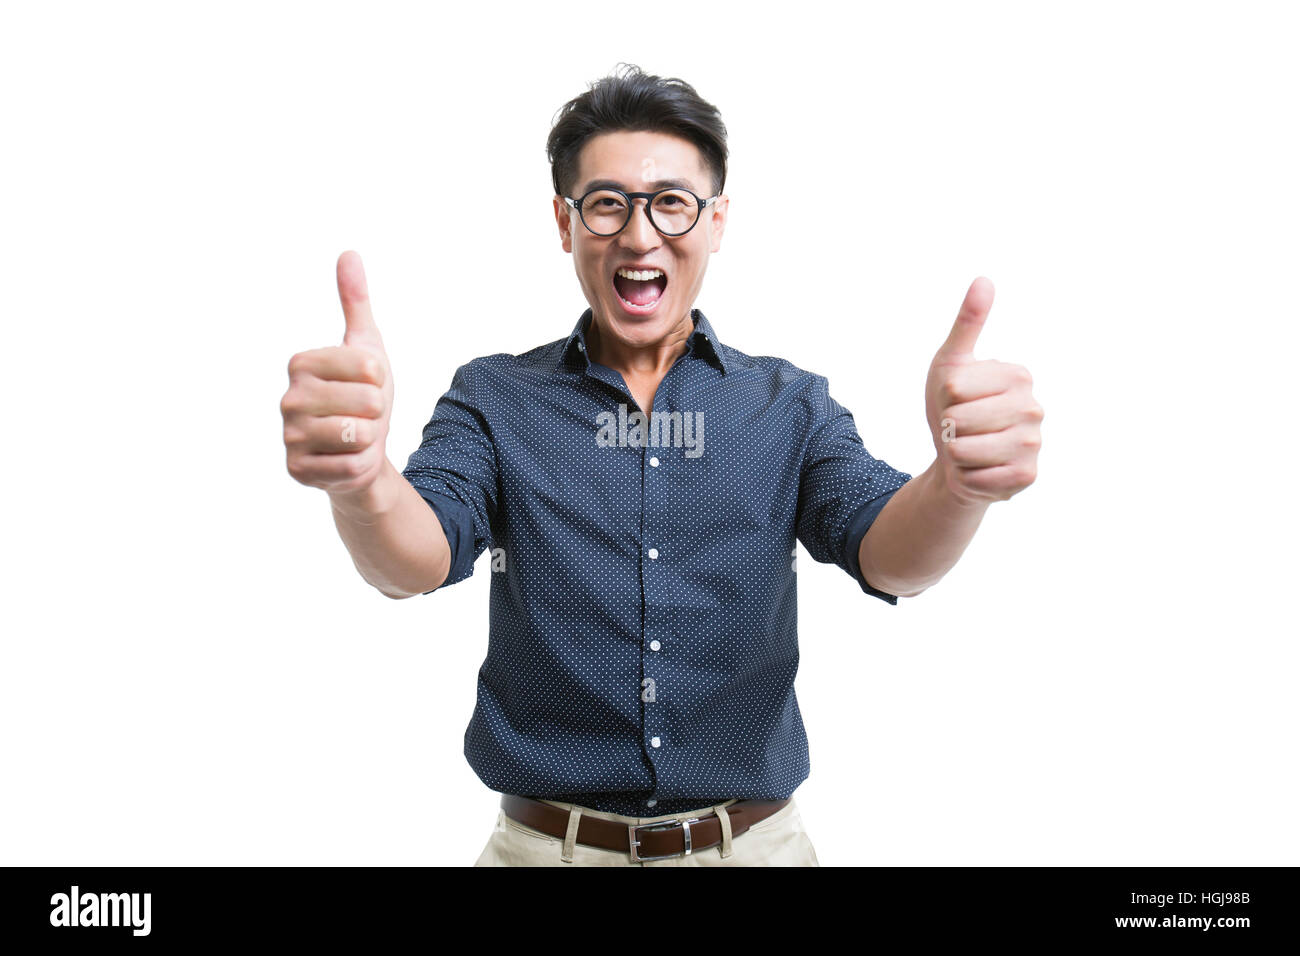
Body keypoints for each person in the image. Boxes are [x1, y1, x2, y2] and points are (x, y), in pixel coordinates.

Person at [280, 64, 1044, 866]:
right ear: (565, 223)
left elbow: (890, 555)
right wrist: (363, 483)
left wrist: (957, 488)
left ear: (716, 222)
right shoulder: (494, 398)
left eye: (671, 202)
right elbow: (417, 559)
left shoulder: (788, 405)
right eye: (607, 203)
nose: (640, 236)